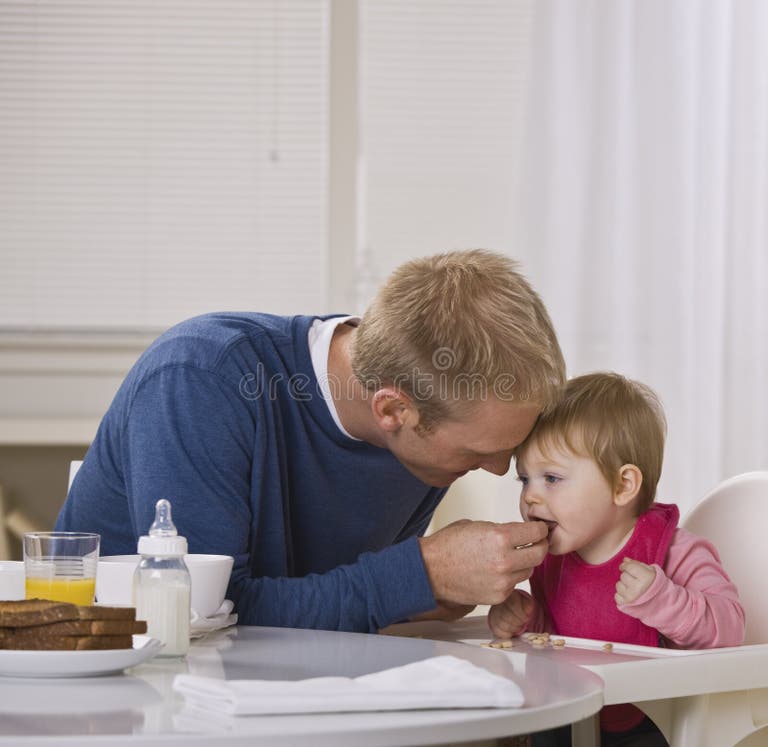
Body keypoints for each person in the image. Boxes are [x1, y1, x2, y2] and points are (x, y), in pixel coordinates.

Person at [56, 249, 566, 632]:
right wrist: (419, 575)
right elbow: (200, 616)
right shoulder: (199, 379)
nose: (501, 468)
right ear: (392, 410)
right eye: (476, 453)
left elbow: (335, 600)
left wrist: (433, 590)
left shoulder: (421, 422)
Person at [488, 372, 745, 747]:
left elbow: (731, 629)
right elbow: (563, 636)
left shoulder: (675, 552)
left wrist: (663, 599)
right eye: (525, 480)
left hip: (655, 720)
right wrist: (527, 619)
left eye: (552, 479)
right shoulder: (553, 556)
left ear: (623, 485)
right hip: (572, 711)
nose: (530, 497)